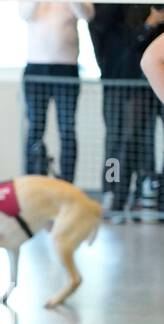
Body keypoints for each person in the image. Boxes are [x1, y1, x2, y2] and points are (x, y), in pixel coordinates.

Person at [89, 3, 158, 213]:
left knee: (141, 143)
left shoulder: (146, 7)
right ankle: (112, 192)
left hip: (141, 84)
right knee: (115, 141)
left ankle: (140, 194)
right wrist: (147, 25)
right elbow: (115, 39)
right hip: (115, 81)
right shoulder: (106, 10)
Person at [20, 2, 94, 183]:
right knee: (35, 127)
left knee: (67, 129)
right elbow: (25, 13)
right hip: (36, 68)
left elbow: (87, 15)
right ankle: (32, 181)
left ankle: (67, 184)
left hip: (67, 67)